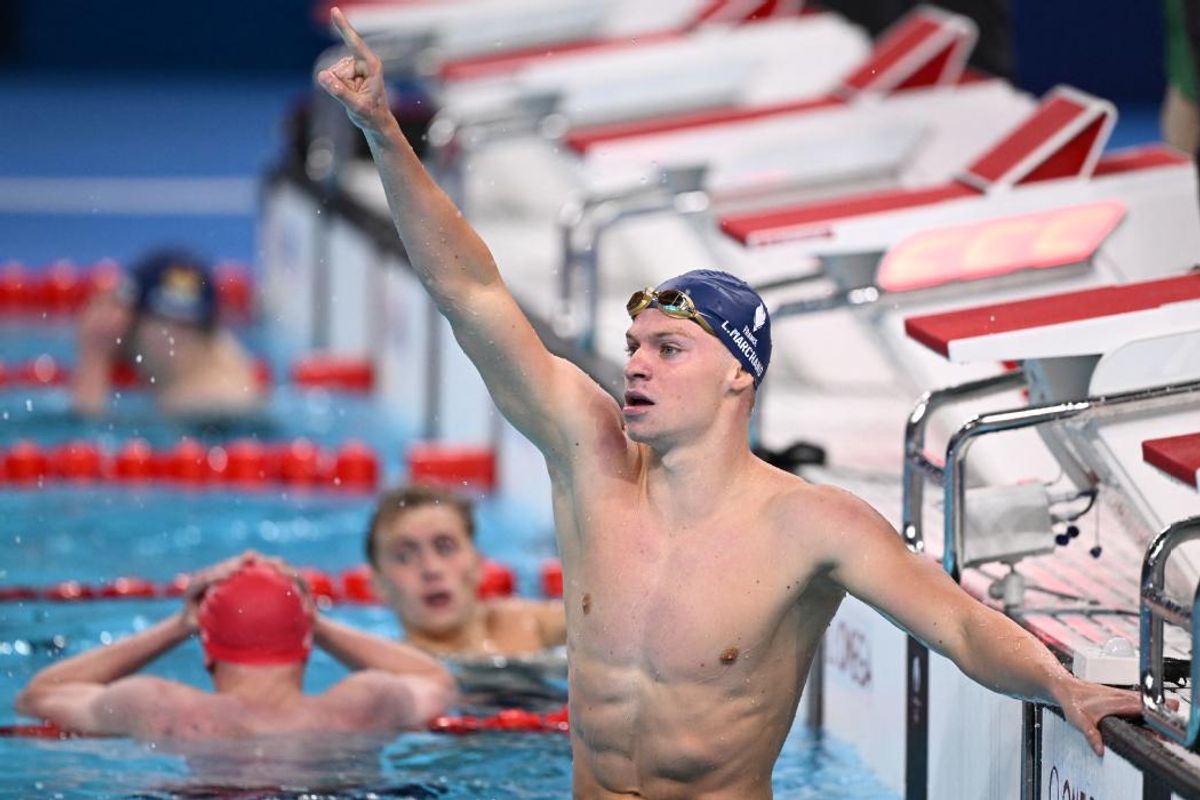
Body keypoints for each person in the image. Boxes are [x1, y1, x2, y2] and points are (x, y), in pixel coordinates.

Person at [318, 9, 1143, 796]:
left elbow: (959, 627)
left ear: (739, 375)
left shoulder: (811, 525)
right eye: (635, 346)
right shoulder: (588, 456)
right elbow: (470, 291)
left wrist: (1060, 684)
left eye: (669, 349)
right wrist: (383, 131)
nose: (637, 366)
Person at [15, 553, 456, 741]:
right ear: (305, 645)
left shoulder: (159, 708)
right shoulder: (366, 703)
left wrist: (176, 626)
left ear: (207, 648)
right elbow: (436, 679)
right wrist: (317, 622)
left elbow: (39, 695)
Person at [366, 483, 566, 656]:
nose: (431, 568)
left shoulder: (525, 623)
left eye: (445, 547)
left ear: (478, 563)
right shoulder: (389, 670)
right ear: (378, 584)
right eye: (404, 557)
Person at [72, 247, 264, 418]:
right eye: (167, 323)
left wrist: (94, 359)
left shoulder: (204, 402)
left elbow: (89, 430)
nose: (179, 338)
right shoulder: (222, 350)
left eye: (191, 326)